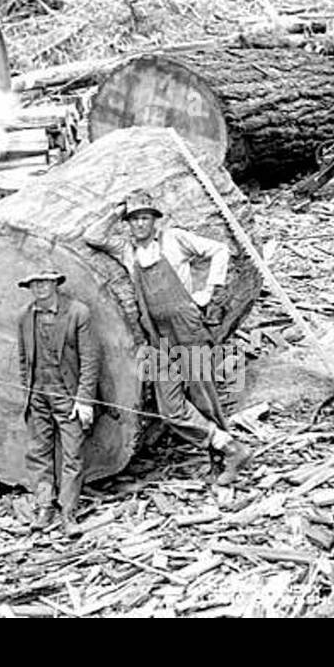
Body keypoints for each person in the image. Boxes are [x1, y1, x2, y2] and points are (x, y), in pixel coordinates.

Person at [85, 191, 252, 486]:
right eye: (133, 219)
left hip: (188, 329)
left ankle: (226, 458)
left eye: (144, 218)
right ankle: (226, 445)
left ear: (155, 221)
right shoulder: (127, 250)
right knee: (170, 409)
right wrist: (115, 213)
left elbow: (219, 251)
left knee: (203, 396)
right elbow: (93, 237)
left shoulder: (175, 239)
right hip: (158, 336)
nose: (139, 225)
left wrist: (207, 292)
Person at [17, 270, 99, 538]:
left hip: (68, 394)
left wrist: (84, 400)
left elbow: (89, 360)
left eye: (45, 281)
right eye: (34, 282)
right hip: (38, 394)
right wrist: (28, 392)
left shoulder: (78, 313)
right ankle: (44, 506)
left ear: (55, 284)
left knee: (72, 454)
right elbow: (23, 359)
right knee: (39, 454)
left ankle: (68, 511)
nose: (39, 287)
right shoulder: (25, 317)